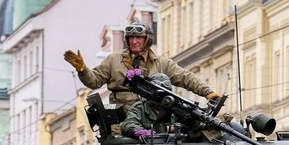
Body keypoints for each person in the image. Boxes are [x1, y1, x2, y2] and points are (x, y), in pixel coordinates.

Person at [63, 21, 220, 111]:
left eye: (138, 38)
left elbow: (186, 78)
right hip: (121, 124)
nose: (134, 41)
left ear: (147, 40)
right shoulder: (114, 60)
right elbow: (94, 81)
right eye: (131, 38)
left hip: (154, 121)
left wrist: (208, 92)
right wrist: (82, 69)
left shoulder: (161, 63)